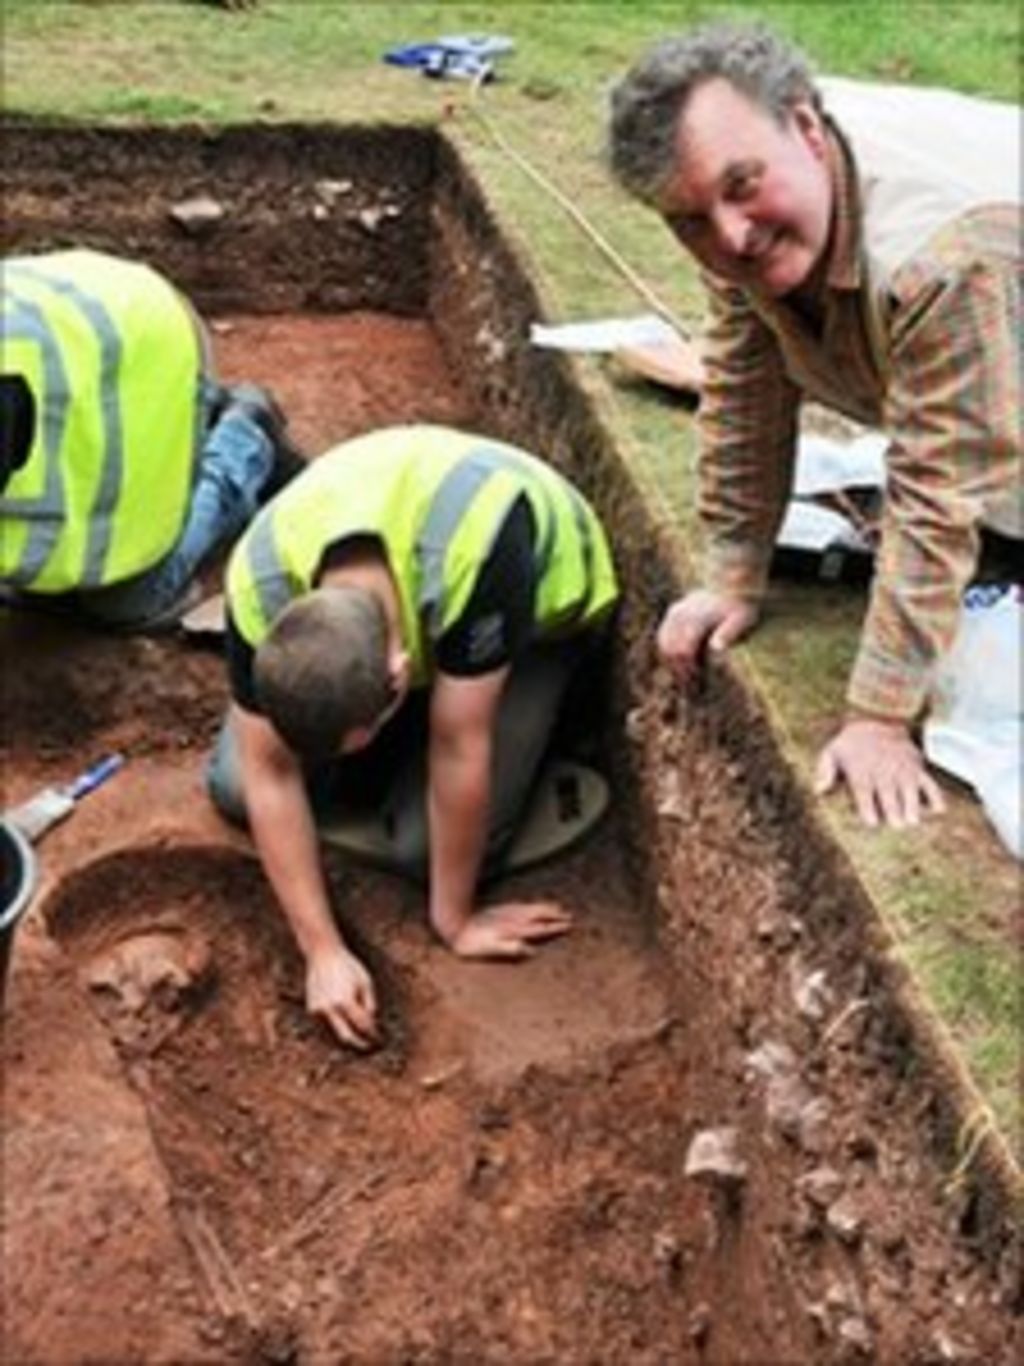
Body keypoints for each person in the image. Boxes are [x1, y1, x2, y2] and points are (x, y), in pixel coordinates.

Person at [607, 22, 1021, 830]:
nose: (729, 235)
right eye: (690, 219)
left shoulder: (941, 253)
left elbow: (940, 489)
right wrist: (733, 571)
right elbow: (745, 382)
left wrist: (879, 716)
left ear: (805, 125)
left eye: (741, 187)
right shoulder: (759, 187)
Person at [206, 424, 619, 1049]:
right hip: (412, 611)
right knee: (235, 785)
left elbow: (461, 745)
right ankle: (384, 768)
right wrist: (322, 952)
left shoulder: (479, 555)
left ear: (400, 680)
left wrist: (455, 921)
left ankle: (534, 737)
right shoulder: (257, 584)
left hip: (528, 618)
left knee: (423, 855)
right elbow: (269, 772)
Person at [1, 247, 300, 631]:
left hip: (140, 346)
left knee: (128, 601)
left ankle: (243, 438)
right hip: (91, 331)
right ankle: (197, 415)